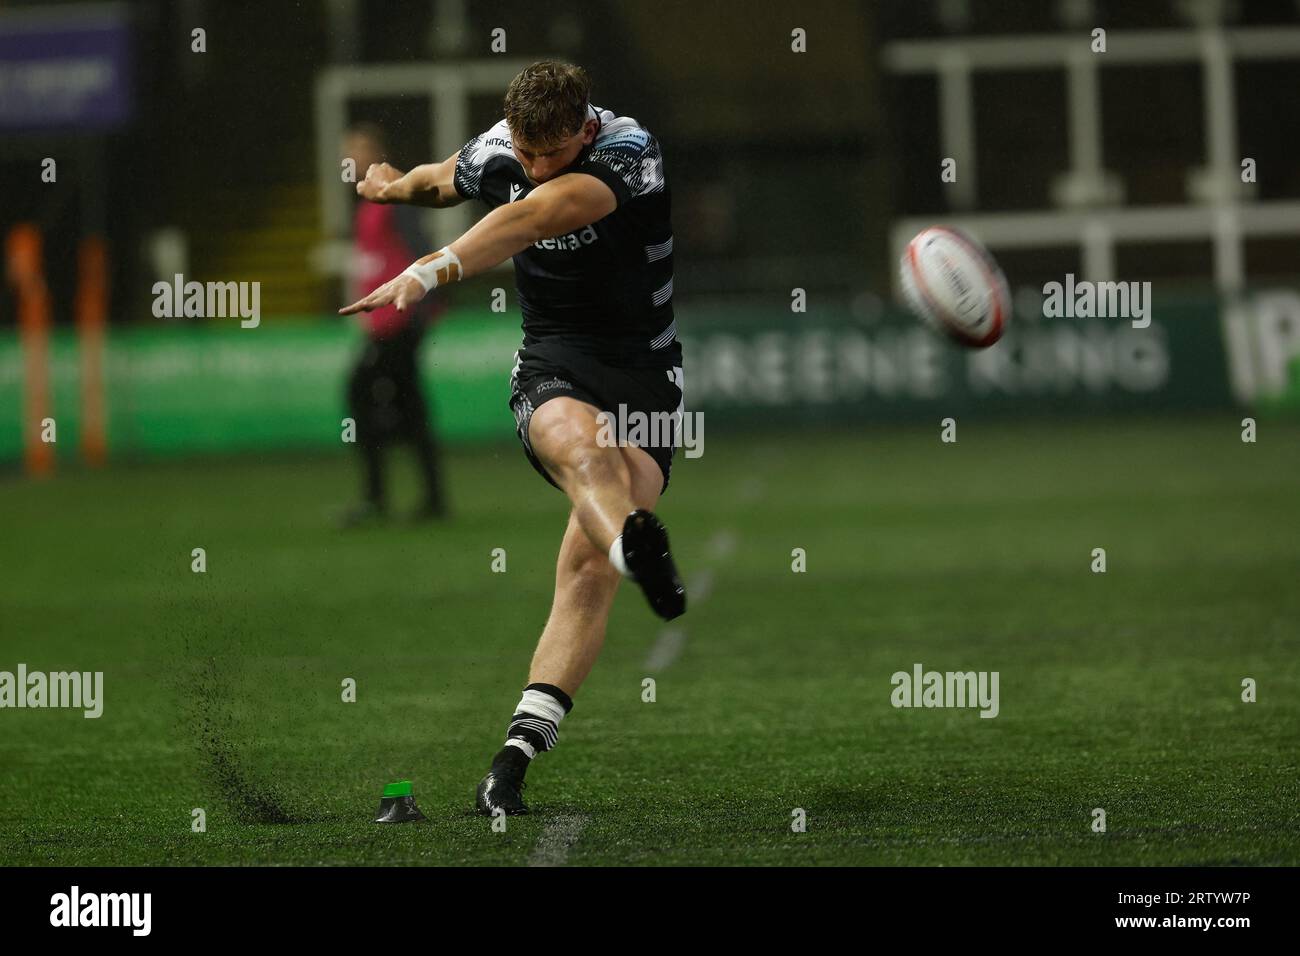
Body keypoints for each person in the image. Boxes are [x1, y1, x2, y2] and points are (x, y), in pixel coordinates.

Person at [340, 61, 686, 815]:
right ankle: (639, 547)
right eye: (524, 156)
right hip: (553, 362)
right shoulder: (509, 147)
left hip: (646, 378)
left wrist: (429, 270)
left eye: (549, 155)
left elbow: (530, 217)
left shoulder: (628, 151)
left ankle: (510, 764)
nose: (531, 169)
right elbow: (445, 179)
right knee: (588, 457)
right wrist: (392, 185)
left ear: (584, 128)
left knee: (586, 573)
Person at [339, 123, 447, 526]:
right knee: (407, 406)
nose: (351, 158)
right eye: (347, 151)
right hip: (384, 323)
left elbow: (421, 250)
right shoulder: (368, 202)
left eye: (359, 149)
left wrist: (424, 307)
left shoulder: (396, 195)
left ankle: (377, 497)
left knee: (361, 396)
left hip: (400, 321)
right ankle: (430, 499)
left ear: (378, 153)